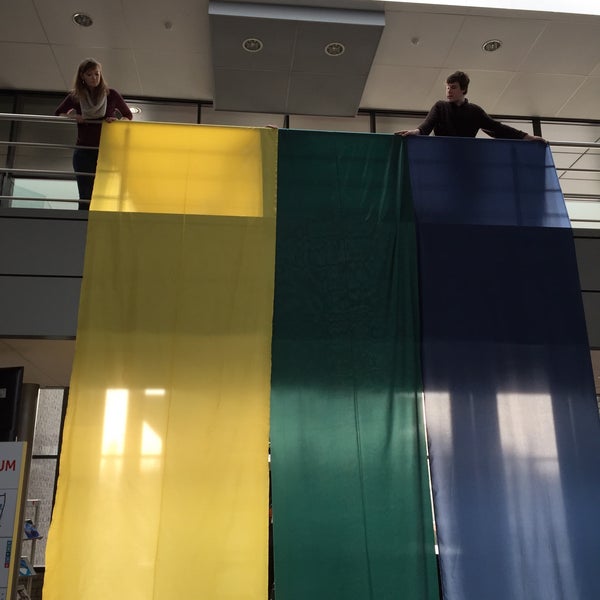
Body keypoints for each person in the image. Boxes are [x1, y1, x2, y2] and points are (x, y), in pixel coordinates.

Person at [55, 58, 132, 209]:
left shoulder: (111, 94)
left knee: (104, 194)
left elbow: (128, 115)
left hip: (106, 151)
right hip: (84, 151)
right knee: (85, 194)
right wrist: (74, 116)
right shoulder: (76, 96)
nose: (94, 78)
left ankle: (101, 222)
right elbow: (58, 113)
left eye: (97, 74)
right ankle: (83, 222)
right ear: (82, 76)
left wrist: (117, 122)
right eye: (89, 75)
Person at [396, 71, 545, 142]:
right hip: (441, 156)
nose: (449, 91)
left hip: (465, 159)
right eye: (447, 87)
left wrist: (527, 137)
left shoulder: (475, 111)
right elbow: (426, 126)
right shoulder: (440, 106)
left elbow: (497, 128)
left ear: (463, 89)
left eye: (453, 87)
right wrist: (416, 131)